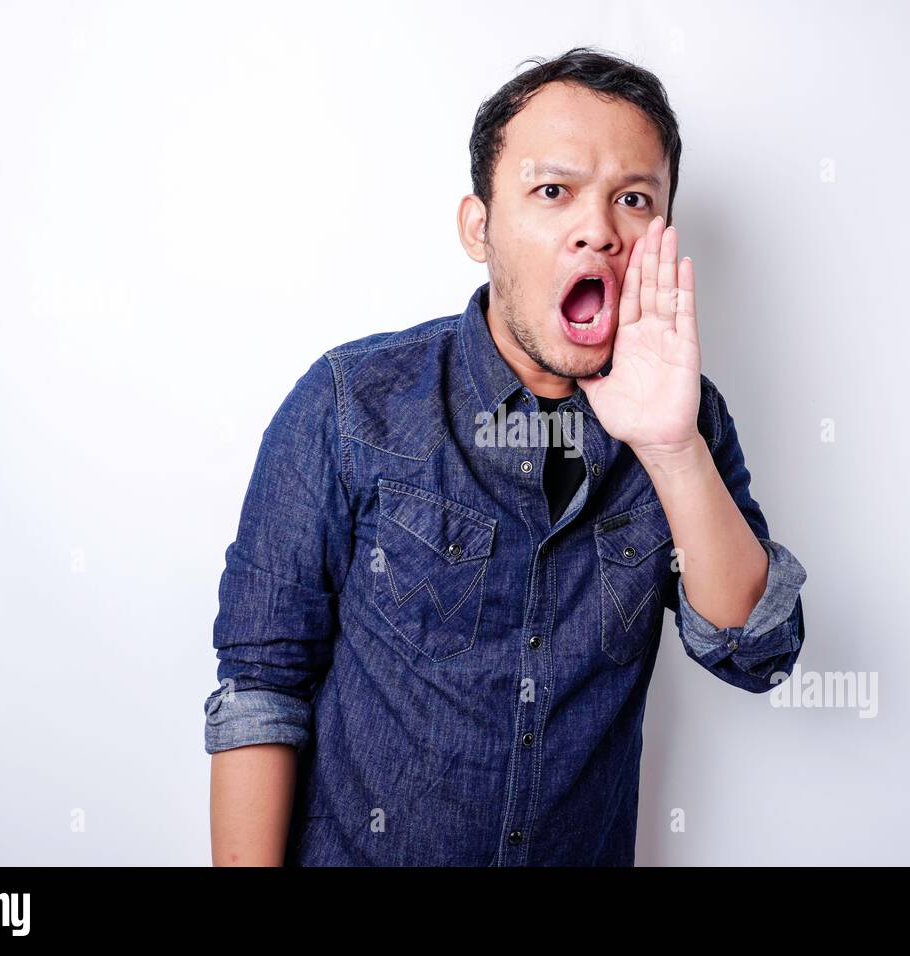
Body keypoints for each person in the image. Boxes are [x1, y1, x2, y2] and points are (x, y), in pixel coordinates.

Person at [204, 46, 807, 866]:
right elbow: (259, 685)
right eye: (553, 191)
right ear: (479, 226)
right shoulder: (351, 404)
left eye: (633, 199)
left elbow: (757, 654)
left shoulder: (688, 423)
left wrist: (671, 449)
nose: (597, 228)